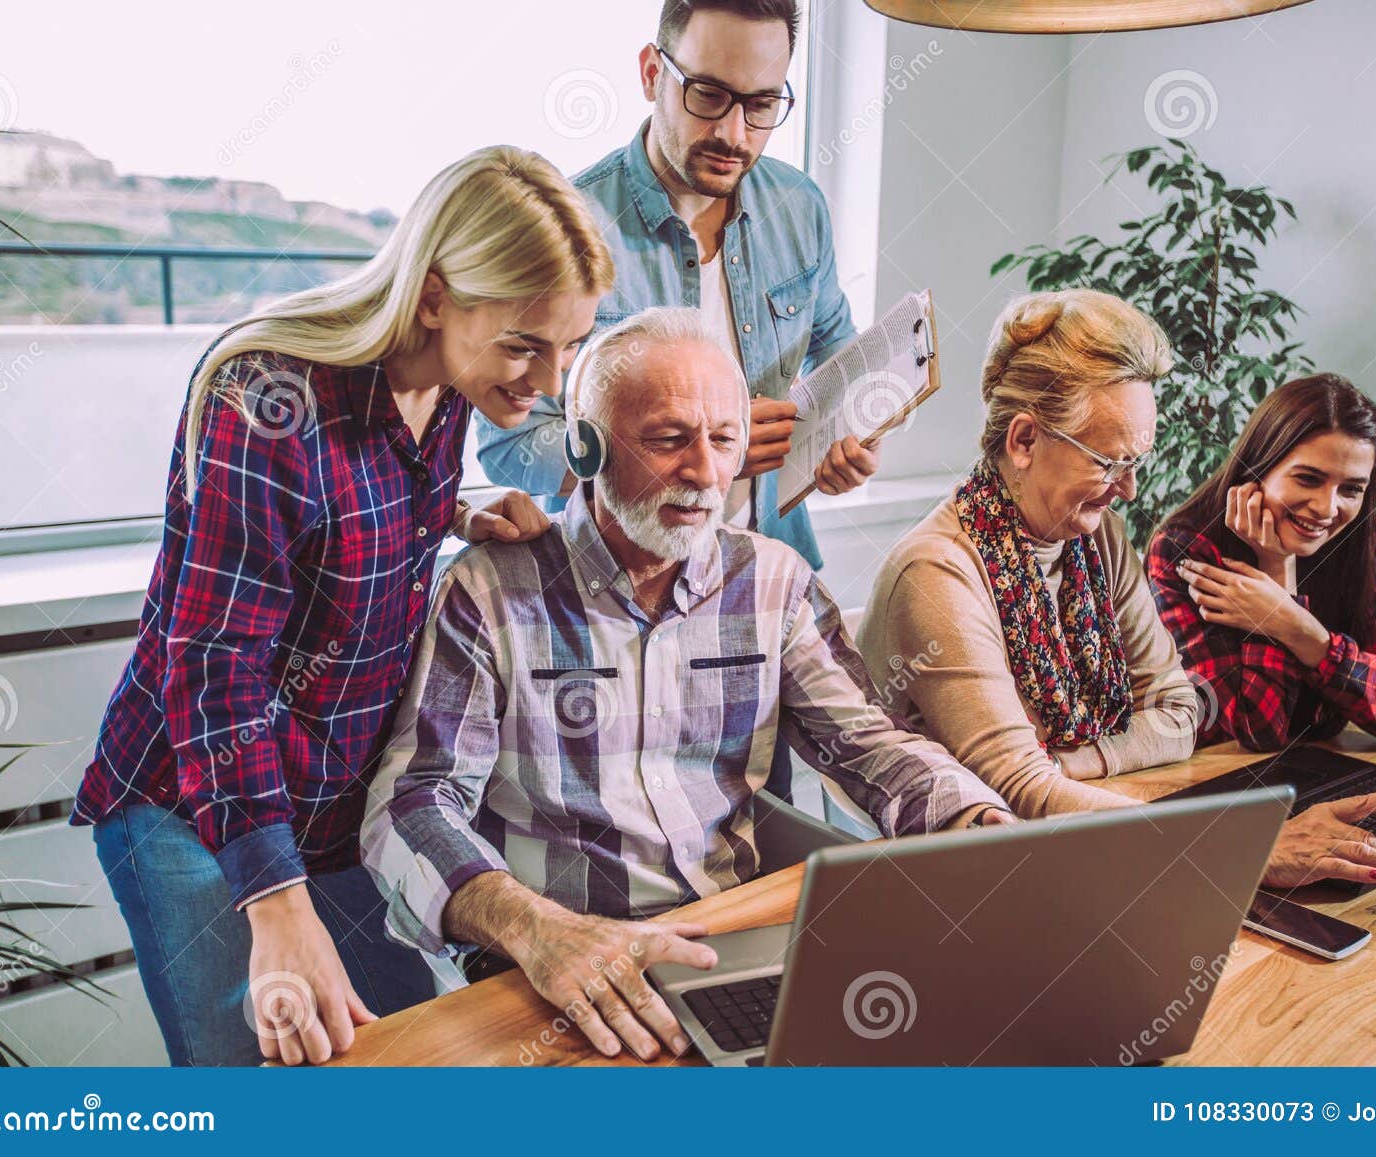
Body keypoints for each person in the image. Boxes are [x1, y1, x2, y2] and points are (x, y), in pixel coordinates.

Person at [71, 147, 614, 1066]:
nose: (550, 381)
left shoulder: (447, 388)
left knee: (401, 1066)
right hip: (200, 813)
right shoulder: (266, 397)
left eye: (569, 346)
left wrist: (453, 511)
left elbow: (349, 507)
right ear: (436, 295)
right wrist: (274, 903)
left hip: (334, 808)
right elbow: (216, 668)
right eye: (526, 344)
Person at [361, 307, 1014, 1063]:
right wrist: (537, 930)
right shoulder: (490, 591)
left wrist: (975, 825)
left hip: (731, 949)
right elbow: (410, 805)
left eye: (725, 439)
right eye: (669, 439)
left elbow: (871, 745)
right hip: (548, 972)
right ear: (587, 445)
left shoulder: (775, 583)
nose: (706, 473)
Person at [858, 290, 1376, 889]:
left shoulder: (1096, 538)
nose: (1128, 489)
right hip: (956, 885)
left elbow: (1179, 713)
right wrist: (1244, 847)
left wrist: (1070, 763)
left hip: (1090, 835)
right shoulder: (937, 573)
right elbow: (1018, 794)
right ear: (1024, 441)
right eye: (1108, 462)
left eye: (1137, 463)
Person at [475, 0, 874, 574]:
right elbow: (505, 445)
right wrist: (695, 453)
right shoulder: (567, 230)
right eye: (708, 95)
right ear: (651, 74)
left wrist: (850, 429)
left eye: (762, 105)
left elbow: (838, 342)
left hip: (770, 572)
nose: (734, 134)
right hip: (608, 592)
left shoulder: (800, 206)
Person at [1145, 373, 1376, 752]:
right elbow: (1260, 733)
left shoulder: (1365, 540)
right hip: (1228, 786)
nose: (1327, 508)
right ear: (1257, 469)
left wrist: (1299, 628)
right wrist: (1275, 565)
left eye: (1351, 489)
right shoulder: (1186, 551)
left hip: (1323, 770)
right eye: (1308, 479)